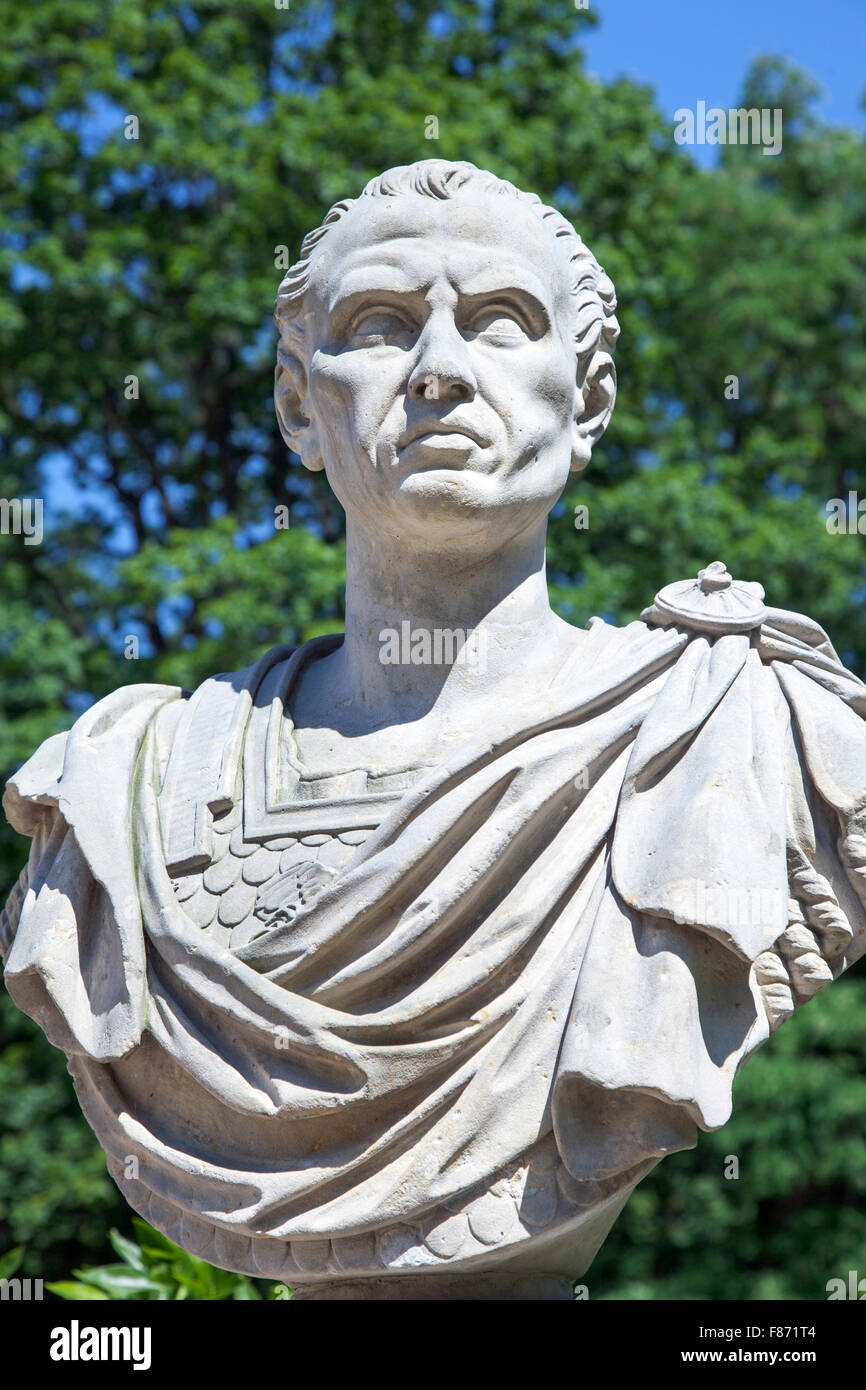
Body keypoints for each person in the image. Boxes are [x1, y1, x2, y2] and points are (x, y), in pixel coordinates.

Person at [3, 160, 866, 1299]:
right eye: (381, 325)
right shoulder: (131, 788)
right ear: (298, 405)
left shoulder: (748, 730)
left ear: (588, 396)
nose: (440, 371)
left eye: (501, 321)